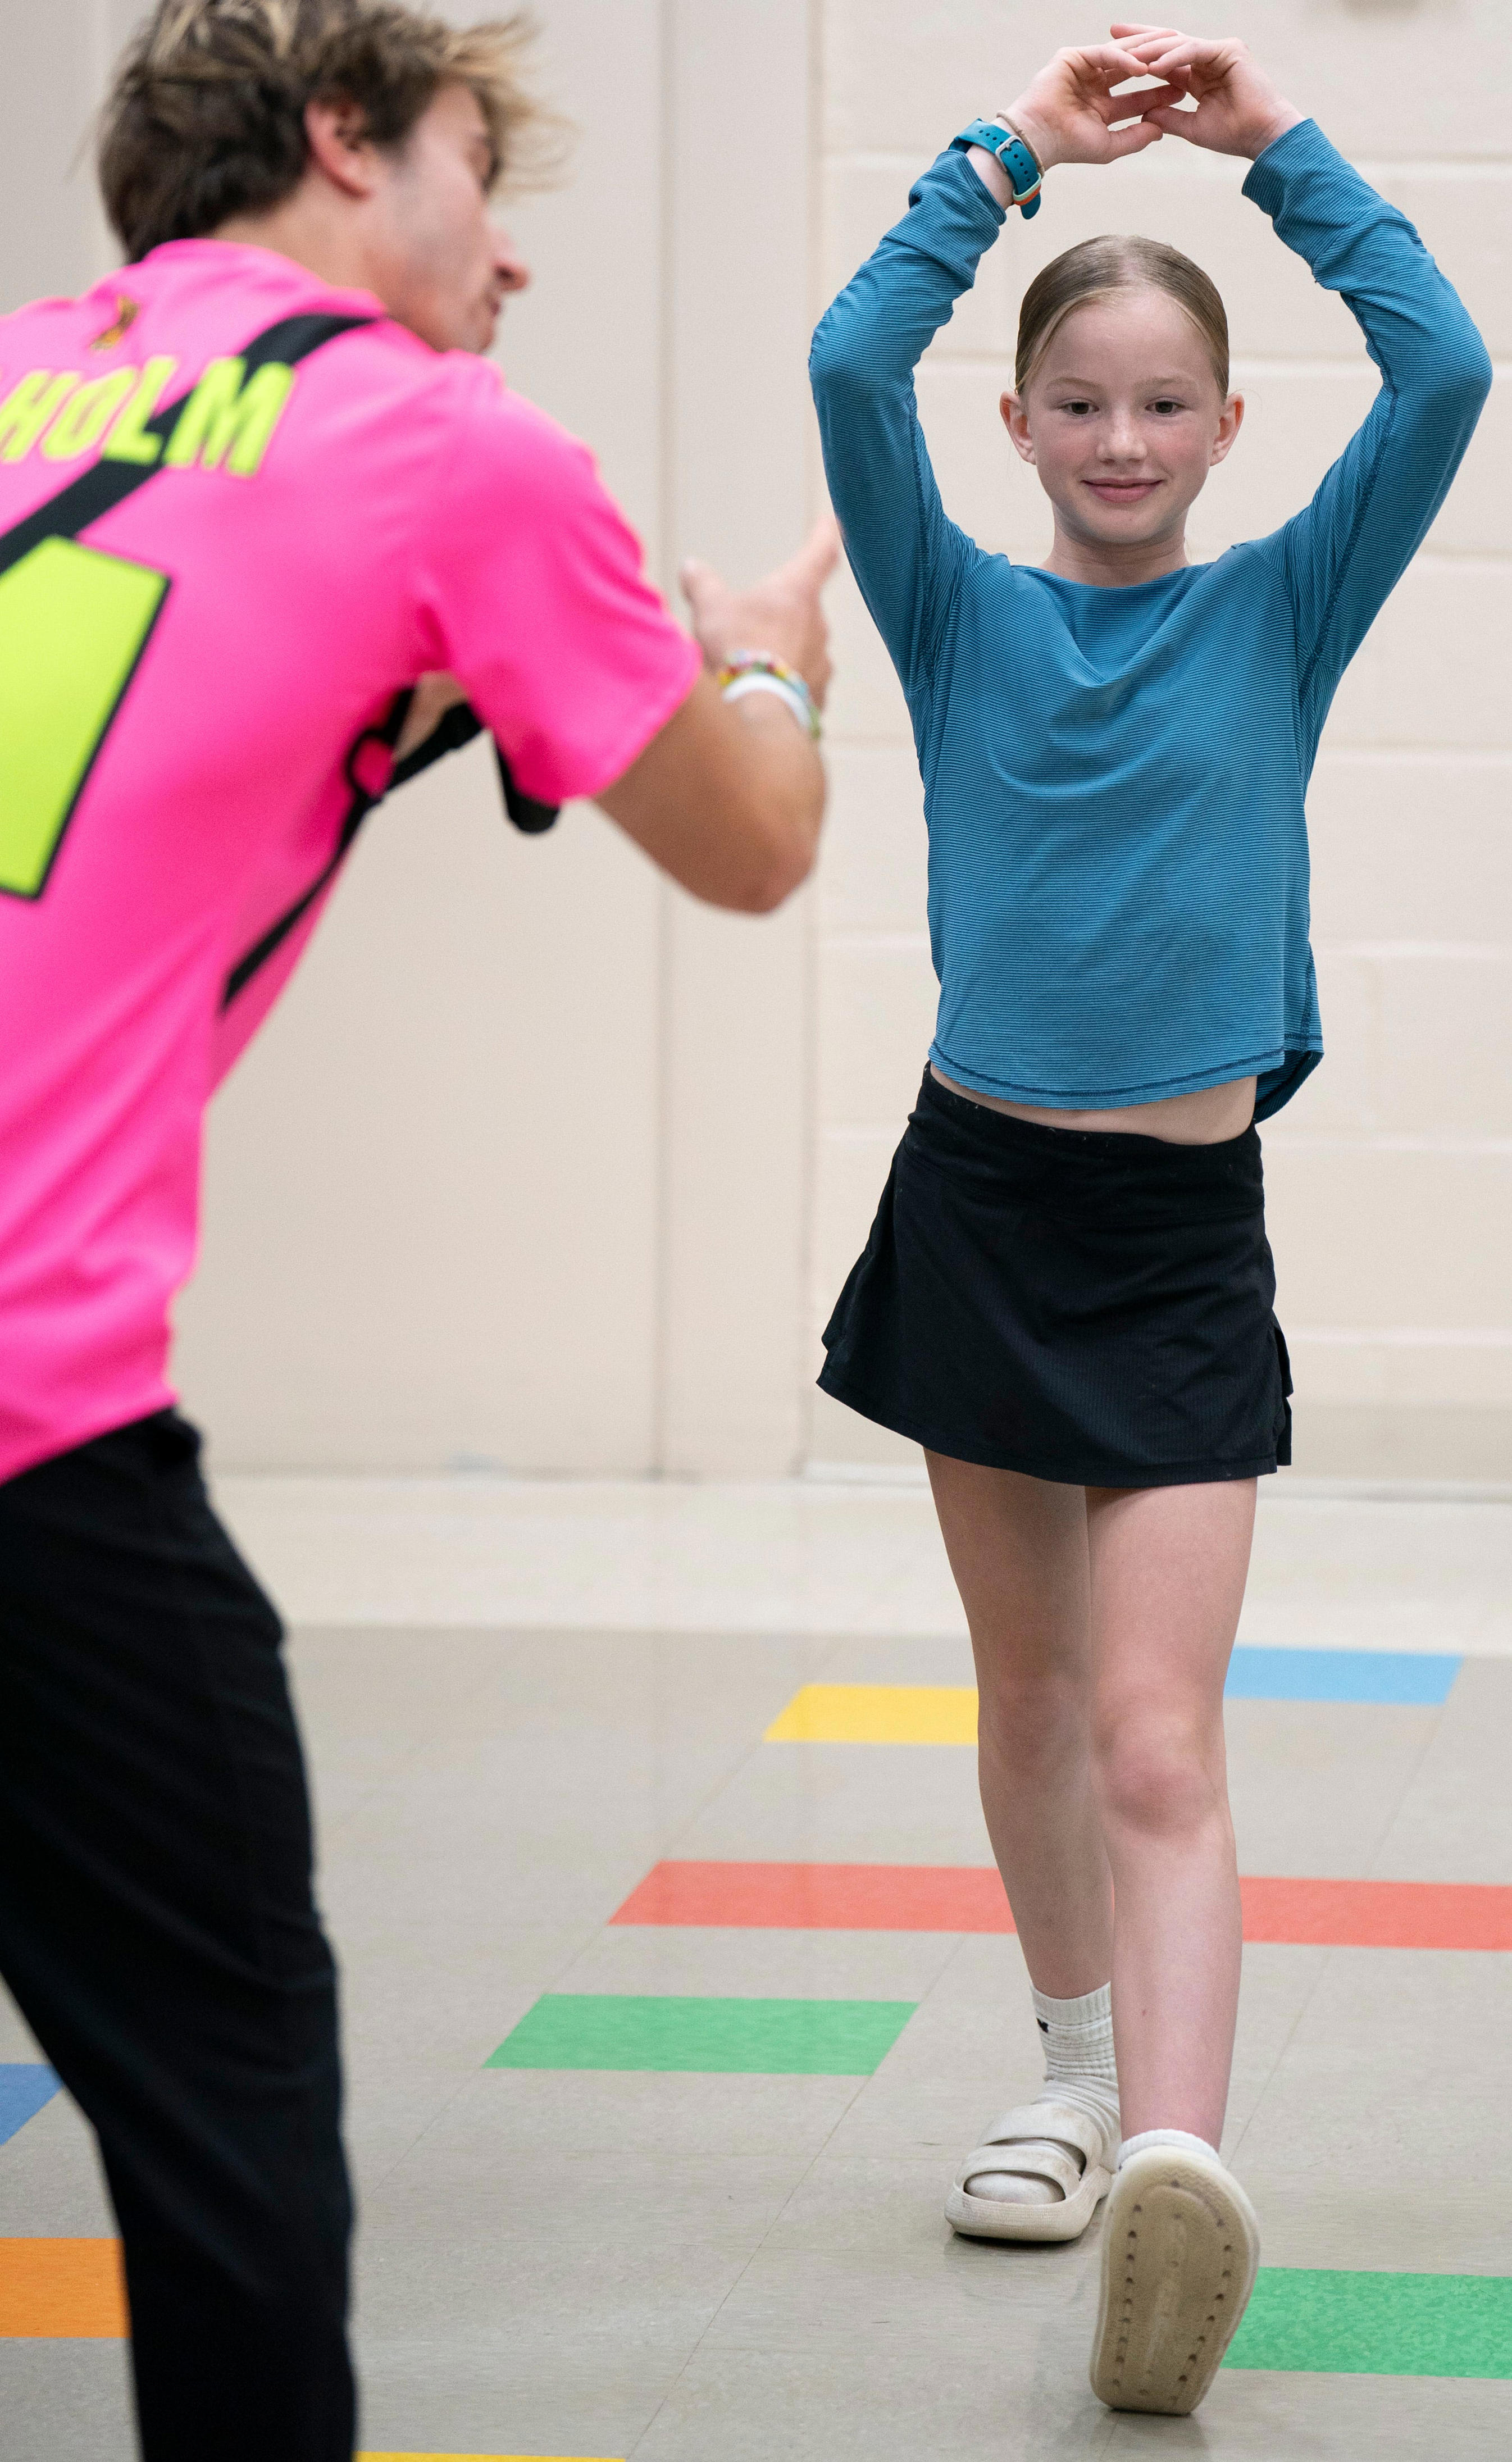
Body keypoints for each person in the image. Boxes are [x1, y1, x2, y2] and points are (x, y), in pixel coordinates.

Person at [0, 3, 836, 2456]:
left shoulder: (32, 379)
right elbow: (754, 840)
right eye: (488, 164)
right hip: (30, 1423)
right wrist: (759, 653)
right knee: (224, 2093)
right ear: (347, 142)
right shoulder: (445, 445)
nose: (521, 255)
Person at [810, 19, 1488, 2417]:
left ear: (1221, 431)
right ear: (1019, 432)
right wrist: (1012, 155)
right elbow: (842, 349)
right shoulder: (948, 599)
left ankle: (1179, 2169)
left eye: (1160, 403)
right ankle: (1075, 2076)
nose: (1116, 439)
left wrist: (1274, 146)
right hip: (978, 1208)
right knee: (1021, 1702)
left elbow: (1443, 362)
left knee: (1155, 1731)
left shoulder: (1281, 607)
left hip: (1185, 1245)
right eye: (1075, 402)